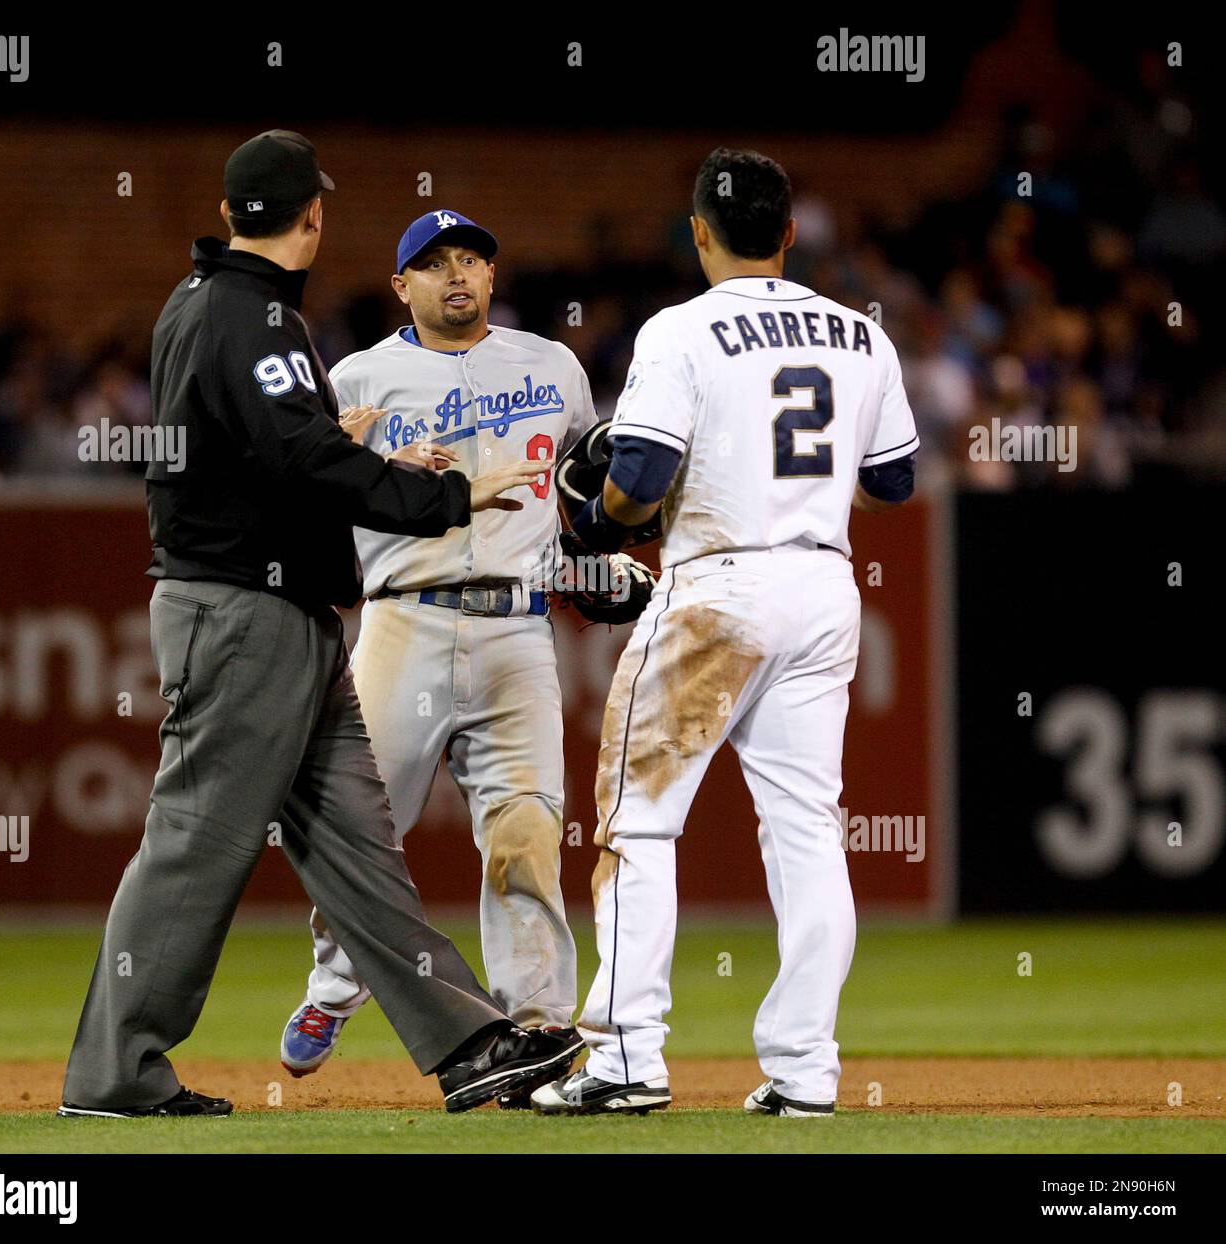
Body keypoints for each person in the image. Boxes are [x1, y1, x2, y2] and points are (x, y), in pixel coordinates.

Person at [58, 131, 573, 1119]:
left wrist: (336, 446)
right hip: (244, 609)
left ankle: (467, 1042)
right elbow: (303, 461)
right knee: (195, 839)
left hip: (280, 612)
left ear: (228, 214)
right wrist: (452, 494)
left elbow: (258, 451)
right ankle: (116, 1071)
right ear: (314, 216)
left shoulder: (193, 303)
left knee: (355, 845)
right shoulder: (254, 315)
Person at [532, 147, 919, 1116]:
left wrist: (593, 519)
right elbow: (893, 482)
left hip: (718, 584)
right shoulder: (858, 335)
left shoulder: (680, 330)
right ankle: (805, 1069)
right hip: (824, 586)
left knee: (637, 819)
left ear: (697, 231)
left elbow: (642, 479)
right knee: (806, 832)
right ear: (789, 234)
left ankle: (624, 1057)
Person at [279, 209, 600, 1106]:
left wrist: (593, 557)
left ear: (491, 279)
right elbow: (310, 497)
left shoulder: (553, 366)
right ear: (402, 287)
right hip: (403, 621)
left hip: (519, 626)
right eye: (435, 264)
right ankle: (334, 988)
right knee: (361, 832)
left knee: (528, 831)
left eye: (473, 259)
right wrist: (357, 450)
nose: (457, 274)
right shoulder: (357, 377)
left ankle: (537, 1026)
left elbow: (581, 492)